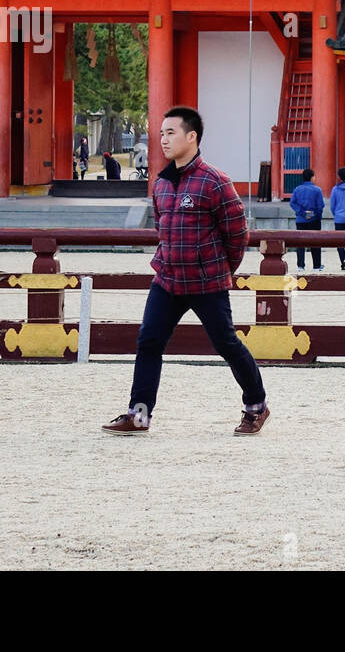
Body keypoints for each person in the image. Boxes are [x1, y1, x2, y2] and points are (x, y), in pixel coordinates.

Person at [102, 106, 269, 436]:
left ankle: (256, 406)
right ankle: (139, 414)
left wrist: (220, 271)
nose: (163, 139)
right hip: (166, 280)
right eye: (161, 133)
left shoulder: (216, 182)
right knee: (149, 341)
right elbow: (162, 228)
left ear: (192, 137)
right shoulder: (161, 184)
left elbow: (238, 236)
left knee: (226, 344)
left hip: (207, 283)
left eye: (171, 133)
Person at [288, 167, 325, 271]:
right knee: (316, 242)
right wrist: (313, 215)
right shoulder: (317, 190)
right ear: (312, 177)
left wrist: (302, 213)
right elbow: (320, 206)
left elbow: (292, 203)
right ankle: (316, 266)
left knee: (300, 243)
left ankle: (300, 265)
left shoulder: (297, 189)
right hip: (314, 221)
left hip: (300, 220)